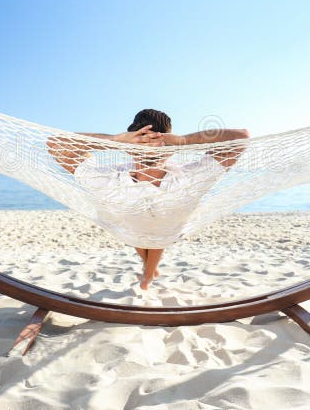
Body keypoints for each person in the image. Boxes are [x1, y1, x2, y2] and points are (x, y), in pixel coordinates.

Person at [47, 109, 249, 289]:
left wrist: (114, 141)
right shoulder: (191, 179)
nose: (149, 147)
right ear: (169, 146)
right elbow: (241, 137)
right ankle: (149, 272)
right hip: (155, 228)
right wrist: (183, 141)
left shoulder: (107, 181)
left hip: (138, 226)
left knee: (141, 226)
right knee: (148, 229)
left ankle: (148, 273)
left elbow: (56, 144)